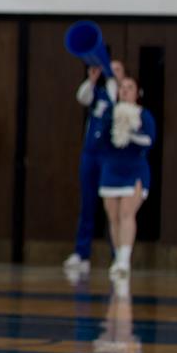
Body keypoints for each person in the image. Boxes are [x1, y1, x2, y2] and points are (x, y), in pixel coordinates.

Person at [65, 56, 126, 279]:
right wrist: (92, 80)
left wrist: (120, 83)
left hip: (111, 157)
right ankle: (82, 254)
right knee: (88, 203)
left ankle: (118, 254)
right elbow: (82, 97)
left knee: (112, 207)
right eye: (111, 67)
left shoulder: (121, 95)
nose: (112, 71)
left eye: (117, 68)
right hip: (90, 154)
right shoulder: (97, 93)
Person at [100, 75, 156, 282]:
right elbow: (101, 139)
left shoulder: (144, 115)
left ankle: (125, 259)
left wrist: (130, 131)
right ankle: (117, 257)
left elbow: (149, 141)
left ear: (136, 92)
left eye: (129, 87)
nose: (124, 90)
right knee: (113, 216)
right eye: (122, 87)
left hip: (134, 170)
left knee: (126, 213)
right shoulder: (109, 113)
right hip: (111, 170)